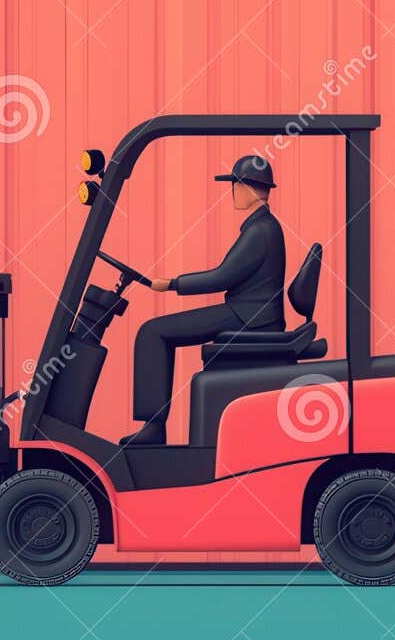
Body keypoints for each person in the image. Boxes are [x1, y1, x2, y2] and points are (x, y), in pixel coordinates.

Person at [120, 155, 287, 446]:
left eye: (233, 185)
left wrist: (172, 284)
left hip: (248, 316)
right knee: (155, 331)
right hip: (248, 312)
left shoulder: (261, 230)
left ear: (246, 187)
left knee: (153, 331)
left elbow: (223, 276)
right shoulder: (261, 227)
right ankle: (154, 426)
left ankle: (154, 427)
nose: (232, 192)